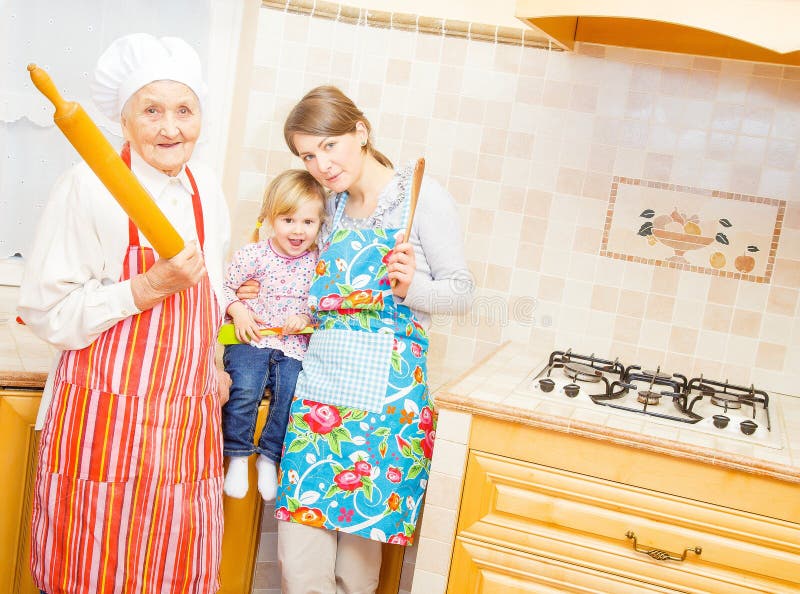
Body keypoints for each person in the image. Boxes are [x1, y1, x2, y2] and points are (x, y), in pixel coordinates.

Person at [17, 33, 231, 593]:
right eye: (152, 110)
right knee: (90, 568)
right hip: (102, 424)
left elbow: (209, 295)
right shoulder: (87, 186)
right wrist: (142, 289)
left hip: (185, 425)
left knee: (174, 571)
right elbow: (46, 310)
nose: (170, 128)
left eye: (184, 110)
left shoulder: (207, 187)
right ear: (124, 119)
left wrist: (214, 359)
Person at [269, 86, 474, 594]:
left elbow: (463, 292)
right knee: (299, 556)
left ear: (361, 132)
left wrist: (414, 289)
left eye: (330, 146)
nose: (321, 164)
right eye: (307, 155)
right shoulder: (329, 204)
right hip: (319, 393)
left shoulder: (421, 198)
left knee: (357, 570)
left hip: (386, 406)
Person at [221, 169, 325, 501]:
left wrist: (305, 316)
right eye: (288, 220)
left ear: (320, 224)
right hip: (251, 339)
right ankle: (237, 455)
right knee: (245, 389)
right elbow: (222, 290)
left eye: (308, 222)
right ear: (270, 218)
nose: (298, 230)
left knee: (291, 395)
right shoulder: (252, 255)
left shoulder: (319, 264)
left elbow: (322, 304)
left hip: (292, 346)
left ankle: (269, 458)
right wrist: (238, 310)